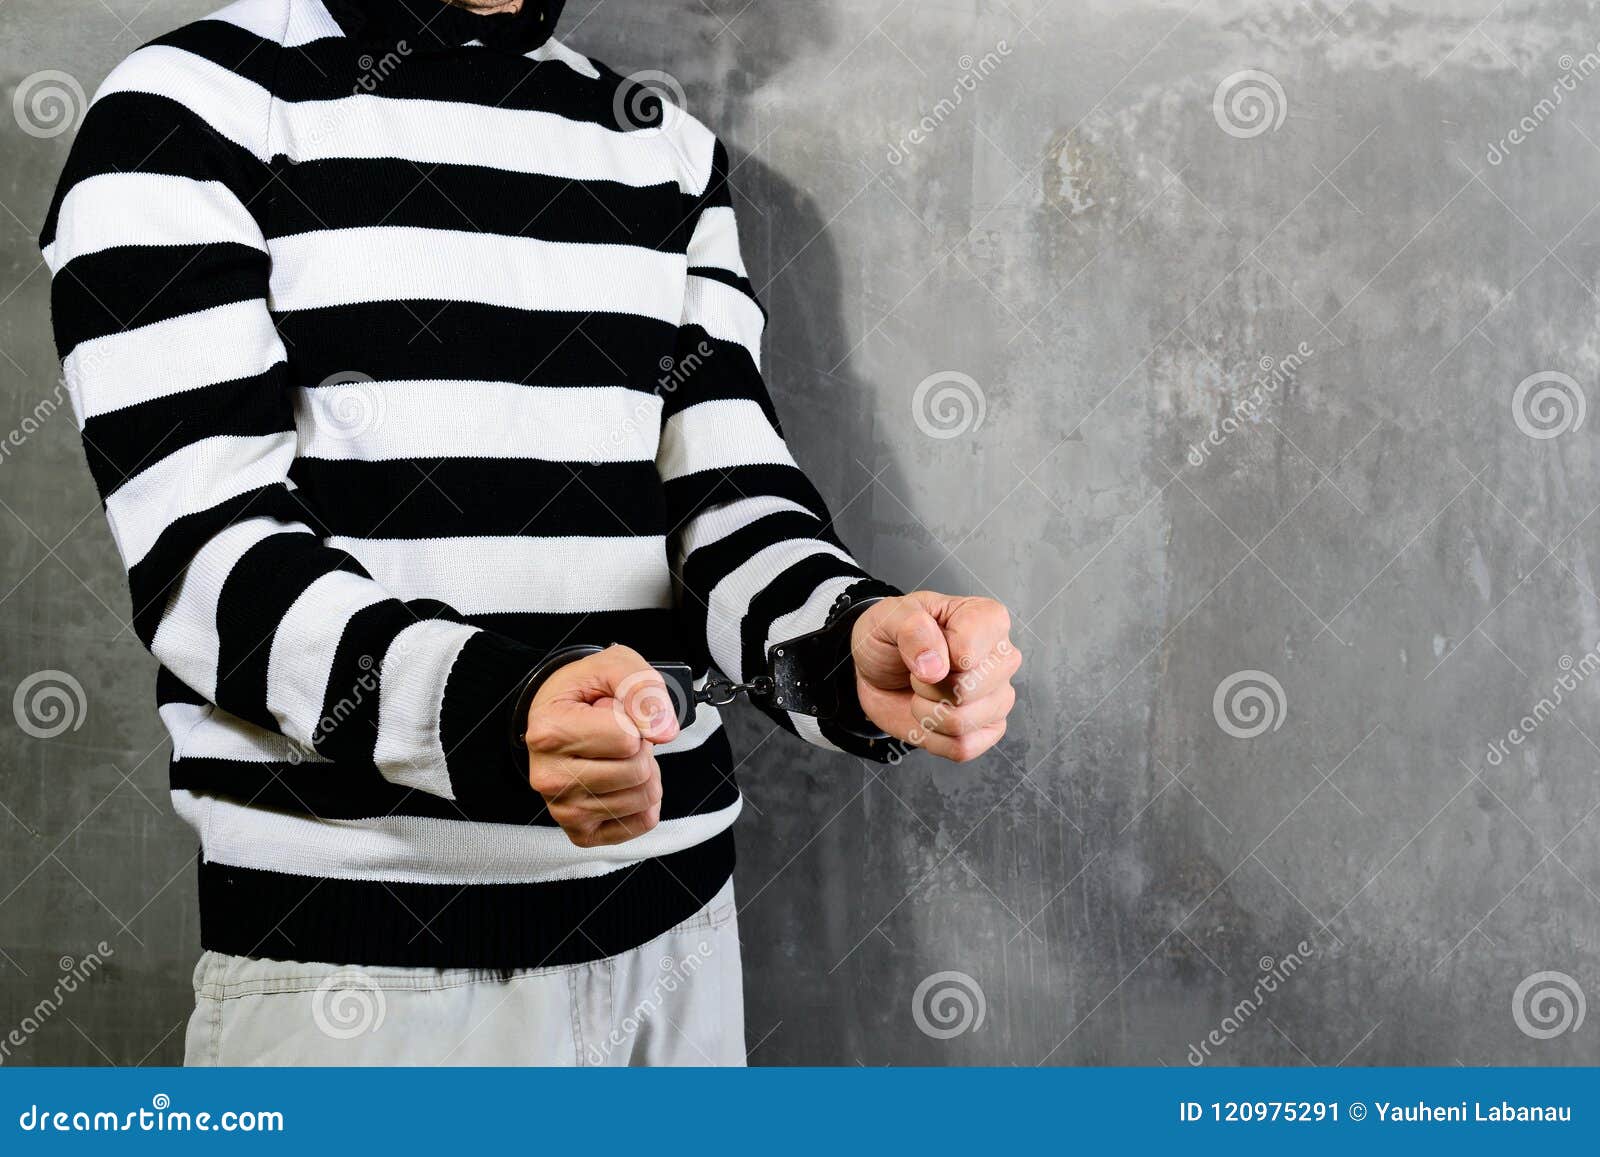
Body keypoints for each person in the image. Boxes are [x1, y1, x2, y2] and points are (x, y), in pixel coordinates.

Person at [39, 0, 1021, 1066]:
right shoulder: (187, 109)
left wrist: (842, 644)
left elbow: (726, 504)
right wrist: (501, 716)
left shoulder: (662, 145)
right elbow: (205, 553)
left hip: (678, 948)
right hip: (367, 985)